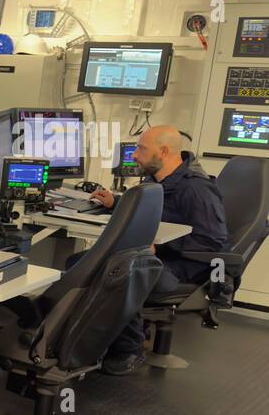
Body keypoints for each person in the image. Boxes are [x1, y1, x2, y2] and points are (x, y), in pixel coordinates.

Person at [84, 125, 228, 375]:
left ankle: (130, 347)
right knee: (82, 263)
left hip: (189, 265)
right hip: (159, 256)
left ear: (163, 152)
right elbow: (156, 212)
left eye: (141, 149)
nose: (134, 155)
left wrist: (161, 245)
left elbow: (213, 243)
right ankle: (84, 343)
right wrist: (115, 202)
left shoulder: (197, 190)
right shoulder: (156, 180)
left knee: (123, 272)